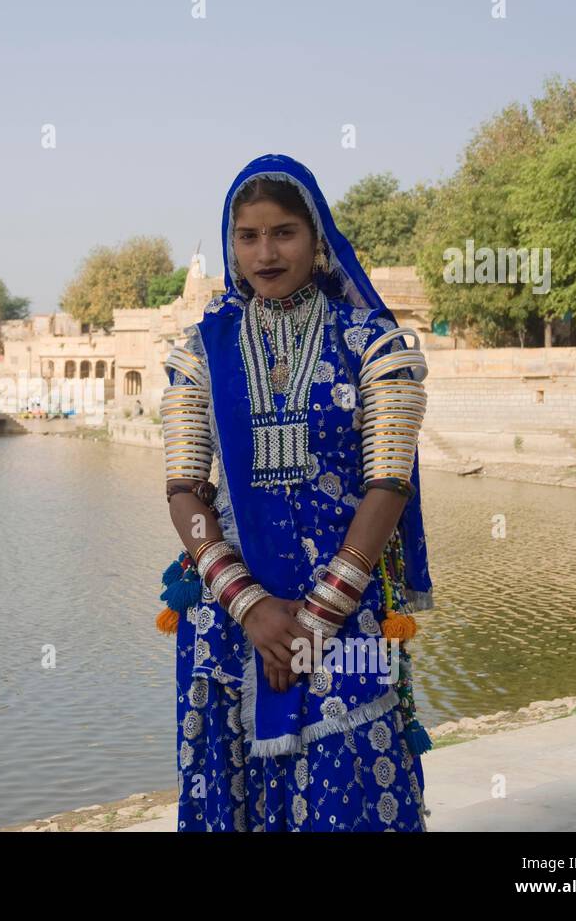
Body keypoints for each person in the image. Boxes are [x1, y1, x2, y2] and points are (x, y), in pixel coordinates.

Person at [159, 154, 435, 831]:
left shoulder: (375, 345)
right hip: (228, 619)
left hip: (345, 615)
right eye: (247, 236)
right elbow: (184, 492)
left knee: (349, 790)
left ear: (317, 240)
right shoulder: (200, 352)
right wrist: (250, 606)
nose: (265, 251)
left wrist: (318, 616)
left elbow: (388, 485)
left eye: (283, 232)